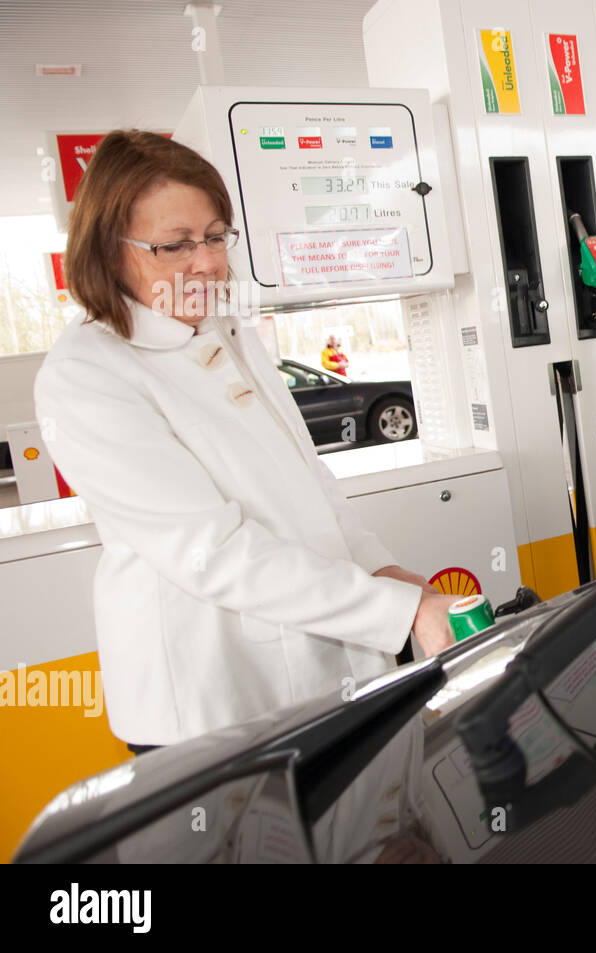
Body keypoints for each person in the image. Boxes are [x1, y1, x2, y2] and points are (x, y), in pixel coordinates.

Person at [33, 130, 460, 752]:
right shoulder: (86, 376)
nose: (205, 262)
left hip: (315, 675)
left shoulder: (227, 331)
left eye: (214, 236)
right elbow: (212, 551)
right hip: (209, 704)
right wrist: (396, 612)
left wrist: (377, 565)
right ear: (107, 250)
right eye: (174, 245)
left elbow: (309, 480)